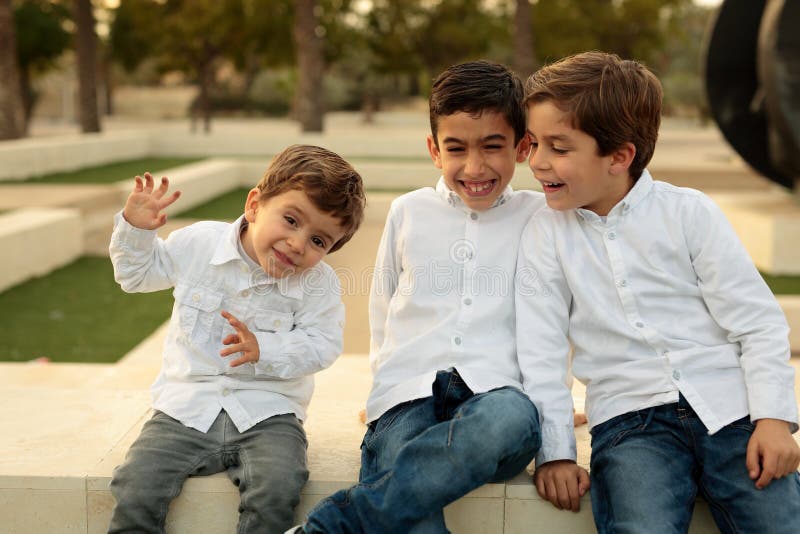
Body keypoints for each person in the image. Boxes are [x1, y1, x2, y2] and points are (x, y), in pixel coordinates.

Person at [516, 51, 800, 532]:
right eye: (534, 143)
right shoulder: (545, 234)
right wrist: (555, 452)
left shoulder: (689, 213)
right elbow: (540, 352)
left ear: (619, 157)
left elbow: (757, 322)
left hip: (731, 411)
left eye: (559, 148)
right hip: (631, 425)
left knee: (778, 523)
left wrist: (773, 419)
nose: (538, 161)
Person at [287, 60, 546, 534]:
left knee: (510, 416)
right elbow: (383, 307)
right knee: (404, 471)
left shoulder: (539, 217)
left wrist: (553, 422)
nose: (475, 167)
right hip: (409, 395)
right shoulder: (408, 211)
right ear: (434, 150)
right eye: (456, 148)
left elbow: (551, 326)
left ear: (523, 147)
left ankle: (331, 527)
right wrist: (382, 391)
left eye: (493, 146)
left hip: (495, 399)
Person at [107, 144, 366, 533]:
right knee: (136, 484)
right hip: (185, 407)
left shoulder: (318, 284)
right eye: (291, 220)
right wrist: (136, 229)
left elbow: (323, 344)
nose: (298, 244)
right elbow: (136, 276)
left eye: (319, 241)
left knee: (279, 487)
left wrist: (266, 349)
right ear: (255, 205)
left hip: (270, 413)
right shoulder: (199, 243)